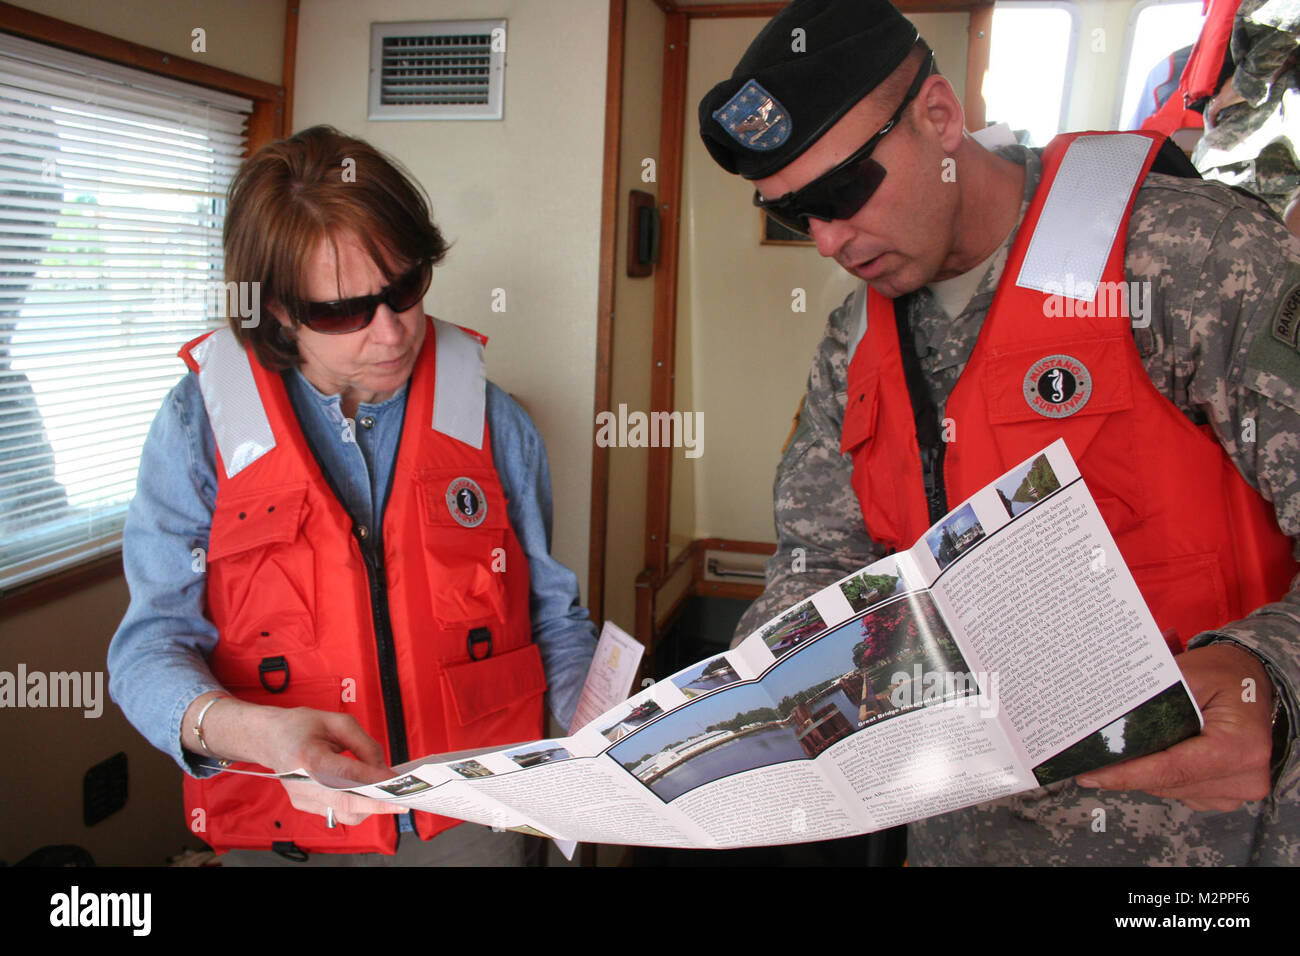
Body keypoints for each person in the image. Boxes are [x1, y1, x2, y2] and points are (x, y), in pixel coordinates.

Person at [698, 0, 1300, 865]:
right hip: (962, 838)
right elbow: (820, 557)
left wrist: (1271, 673)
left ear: (939, 116)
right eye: (796, 214)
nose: (828, 240)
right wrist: (762, 687)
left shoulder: (1187, 256)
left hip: (1200, 852)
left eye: (841, 192)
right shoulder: (855, 340)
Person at [107, 125, 598, 865]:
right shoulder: (195, 429)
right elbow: (148, 649)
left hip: (475, 817)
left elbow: (553, 620)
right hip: (287, 832)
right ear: (275, 309)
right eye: (343, 312)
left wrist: (601, 732)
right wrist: (258, 735)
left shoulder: (495, 421)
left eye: (405, 288)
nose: (393, 331)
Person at [1191, 0, 1300, 217]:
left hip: (1264, 123)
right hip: (1255, 121)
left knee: (1224, 215)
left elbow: (1287, 16)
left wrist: (1246, 83)